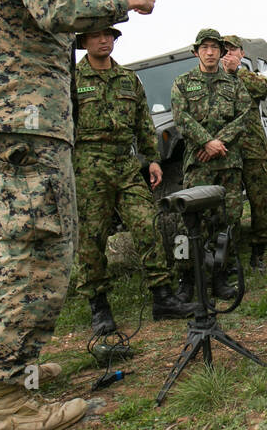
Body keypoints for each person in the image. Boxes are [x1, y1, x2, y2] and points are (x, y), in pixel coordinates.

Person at [0, 0, 155, 430]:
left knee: (38, 247)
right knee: (37, 251)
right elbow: (57, 8)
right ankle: (5, 403)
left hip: (27, 126)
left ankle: (12, 374)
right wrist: (127, 0)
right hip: (24, 126)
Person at [71, 26, 195, 333]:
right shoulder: (72, 80)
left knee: (147, 225)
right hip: (88, 164)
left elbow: (143, 120)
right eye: (96, 35)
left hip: (126, 164)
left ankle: (162, 297)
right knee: (92, 238)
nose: (103, 40)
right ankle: (99, 306)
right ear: (84, 41)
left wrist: (152, 158)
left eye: (109, 35)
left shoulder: (128, 79)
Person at [170, 28, 252, 298]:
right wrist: (206, 142)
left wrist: (218, 144)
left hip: (228, 163)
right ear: (196, 52)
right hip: (198, 164)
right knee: (189, 224)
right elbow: (182, 118)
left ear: (221, 52)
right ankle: (187, 279)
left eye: (214, 47)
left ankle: (220, 276)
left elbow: (244, 117)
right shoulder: (183, 83)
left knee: (228, 221)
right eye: (204, 47)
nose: (209, 52)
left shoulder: (234, 84)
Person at [220, 35, 267, 270]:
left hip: (253, 149)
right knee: (229, 205)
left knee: (259, 201)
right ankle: (230, 257)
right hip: (226, 152)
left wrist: (236, 71)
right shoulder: (213, 77)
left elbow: (263, 88)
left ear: (241, 53)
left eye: (232, 50)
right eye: (225, 50)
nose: (228, 54)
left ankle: (259, 251)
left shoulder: (249, 75)